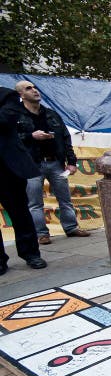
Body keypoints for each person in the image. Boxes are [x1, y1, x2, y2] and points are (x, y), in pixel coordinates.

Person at [14, 81, 89, 245]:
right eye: (29, 88)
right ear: (21, 95)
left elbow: (65, 137)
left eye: (34, 87)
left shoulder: (51, 114)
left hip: (55, 163)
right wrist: (31, 136)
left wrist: (72, 162)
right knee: (34, 203)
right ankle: (41, 234)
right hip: (32, 165)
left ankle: (71, 227)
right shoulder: (16, 116)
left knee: (65, 198)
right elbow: (11, 140)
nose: (34, 90)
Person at [0, 88, 47, 274]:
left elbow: (4, 121)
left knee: (20, 212)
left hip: (7, 167)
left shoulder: (7, 96)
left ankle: (31, 254)